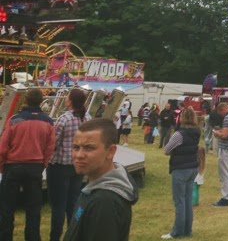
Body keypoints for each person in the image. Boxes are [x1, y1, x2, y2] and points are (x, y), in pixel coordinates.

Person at [63, 118, 138, 241]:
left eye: (88, 148)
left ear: (110, 151)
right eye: (76, 147)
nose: (79, 155)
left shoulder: (104, 201)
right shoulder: (94, 187)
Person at [0, 87, 55, 241]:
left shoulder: (14, 120)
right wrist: (42, 163)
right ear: (41, 101)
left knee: (7, 207)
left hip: (13, 165)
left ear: (25, 100)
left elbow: (3, 146)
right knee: (33, 208)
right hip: (35, 166)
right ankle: (32, 237)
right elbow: (50, 147)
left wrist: (2, 165)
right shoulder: (48, 122)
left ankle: (5, 237)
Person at [47, 87, 88, 241]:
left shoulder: (65, 118)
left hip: (60, 165)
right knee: (74, 202)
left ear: (70, 101)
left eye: (67, 97)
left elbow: (54, 142)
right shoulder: (87, 117)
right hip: (78, 165)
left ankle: (55, 237)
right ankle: (74, 235)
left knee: (58, 205)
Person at [162, 107, 202, 239]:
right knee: (187, 200)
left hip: (180, 168)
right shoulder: (196, 132)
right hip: (192, 167)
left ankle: (177, 231)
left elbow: (166, 150)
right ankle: (187, 230)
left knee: (179, 201)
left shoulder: (179, 134)